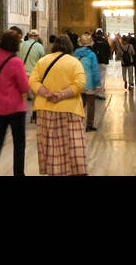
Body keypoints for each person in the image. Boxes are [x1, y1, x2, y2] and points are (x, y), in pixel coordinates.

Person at [29, 36, 88, 176]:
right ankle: (75, 171)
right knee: (73, 145)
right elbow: (80, 83)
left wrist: (47, 94)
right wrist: (61, 95)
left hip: (45, 109)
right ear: (69, 47)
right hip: (70, 109)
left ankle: (54, 171)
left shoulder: (43, 61)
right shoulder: (74, 62)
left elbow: (33, 81)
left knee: (51, 145)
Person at [0, 30, 30, 176]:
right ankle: (19, 174)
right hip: (15, 108)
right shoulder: (16, 62)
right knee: (19, 144)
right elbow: (24, 87)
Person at [74, 34, 102, 132]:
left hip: (78, 83)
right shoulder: (91, 55)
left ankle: (77, 123)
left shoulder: (75, 54)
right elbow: (95, 70)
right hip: (90, 84)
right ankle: (89, 125)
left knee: (79, 105)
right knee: (91, 105)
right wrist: (98, 84)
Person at [19, 30, 46, 123]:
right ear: (37, 36)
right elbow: (42, 62)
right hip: (34, 75)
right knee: (36, 96)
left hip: (22, 74)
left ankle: (21, 116)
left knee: (23, 96)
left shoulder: (21, 45)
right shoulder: (39, 47)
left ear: (29, 36)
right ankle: (34, 116)